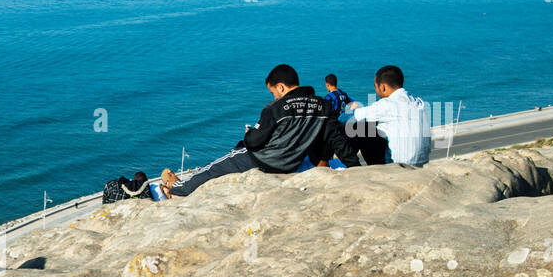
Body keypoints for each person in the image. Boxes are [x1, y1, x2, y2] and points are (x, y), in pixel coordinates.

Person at [159, 65, 337, 197]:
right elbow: (327, 136)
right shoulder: (319, 105)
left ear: (281, 87)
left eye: (273, 91)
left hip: (264, 159)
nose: (274, 96)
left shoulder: (276, 107)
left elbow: (254, 142)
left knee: (213, 168)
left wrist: (249, 134)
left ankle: (177, 190)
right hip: (291, 161)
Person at [340, 65, 431, 166]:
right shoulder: (418, 102)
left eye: (375, 87)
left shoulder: (387, 104)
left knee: (359, 127)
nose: (376, 90)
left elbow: (346, 118)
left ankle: (352, 167)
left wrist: (344, 112)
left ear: (382, 87)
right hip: (422, 164)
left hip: (398, 166)